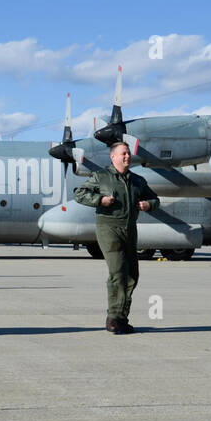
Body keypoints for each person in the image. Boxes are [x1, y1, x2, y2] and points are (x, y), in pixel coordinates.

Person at [73, 141, 159, 334]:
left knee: (132, 275)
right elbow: (79, 193)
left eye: (128, 153)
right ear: (113, 157)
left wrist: (148, 205)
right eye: (123, 154)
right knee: (118, 272)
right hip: (108, 228)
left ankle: (121, 318)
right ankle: (113, 318)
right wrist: (100, 200)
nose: (127, 156)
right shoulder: (101, 177)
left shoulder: (138, 181)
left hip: (129, 229)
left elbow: (155, 200)